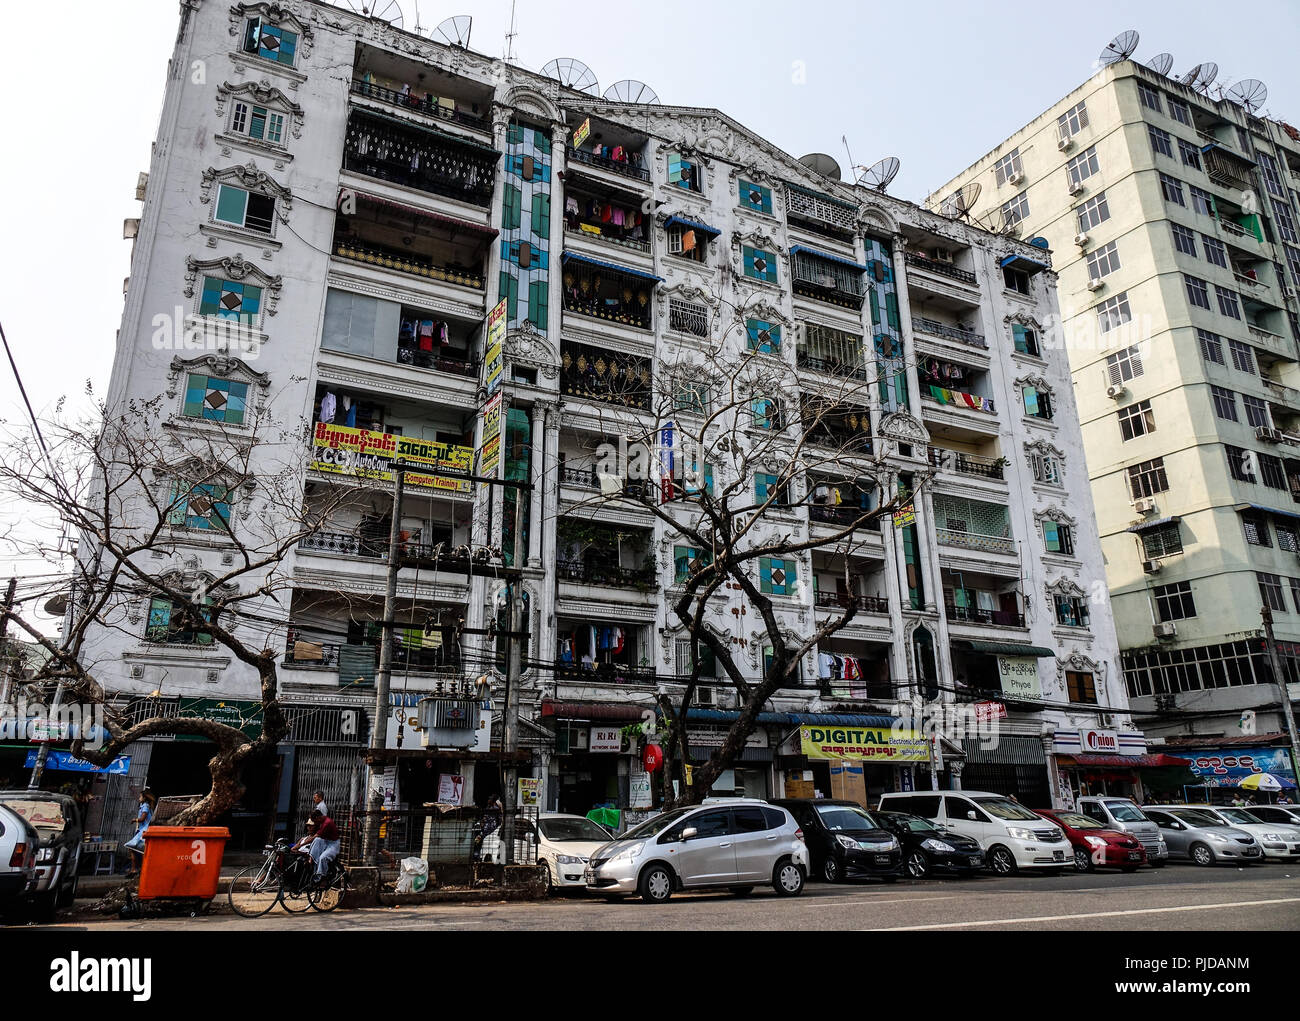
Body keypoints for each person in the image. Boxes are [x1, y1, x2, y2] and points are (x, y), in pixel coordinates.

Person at [123, 789, 157, 874]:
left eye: (140, 797)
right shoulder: (147, 806)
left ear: (144, 798)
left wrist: (134, 820)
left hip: (143, 831)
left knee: (132, 848)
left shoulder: (145, 806)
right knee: (139, 850)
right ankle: (139, 868)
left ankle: (136, 869)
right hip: (142, 831)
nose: (139, 798)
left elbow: (142, 819)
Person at [308, 809, 340, 884]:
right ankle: (311, 858)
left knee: (322, 858)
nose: (315, 823)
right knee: (317, 840)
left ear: (318, 818)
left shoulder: (327, 823)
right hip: (326, 842)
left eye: (315, 821)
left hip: (333, 844)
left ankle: (323, 877)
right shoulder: (321, 822)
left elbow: (315, 837)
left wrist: (300, 845)